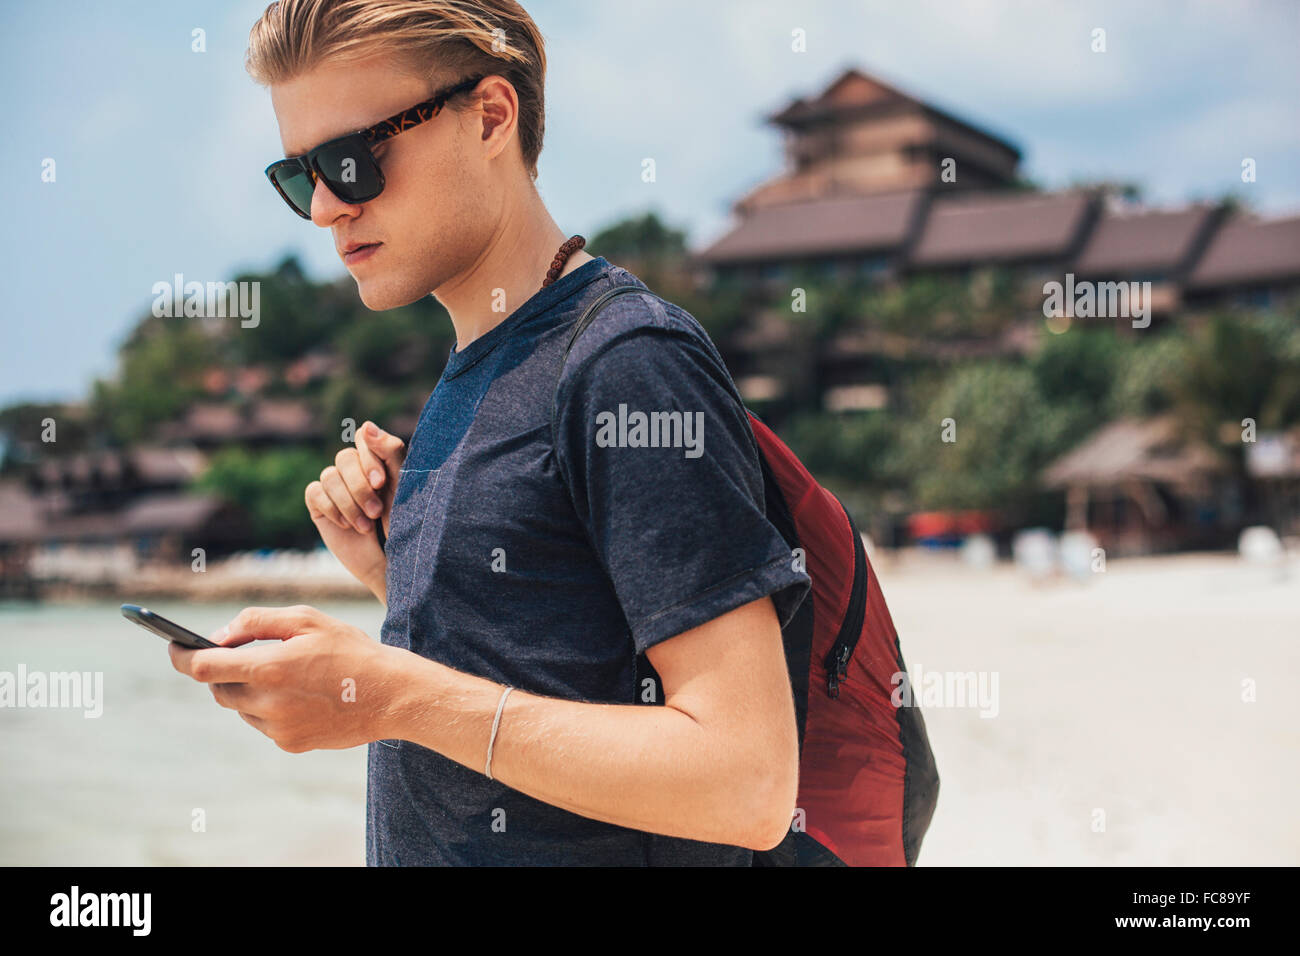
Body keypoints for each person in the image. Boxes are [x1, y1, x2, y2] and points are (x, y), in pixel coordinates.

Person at [169, 0, 810, 866]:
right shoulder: (478, 368)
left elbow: (747, 782)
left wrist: (389, 693)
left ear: (490, 116)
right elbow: (548, 676)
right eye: (298, 177)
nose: (324, 208)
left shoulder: (624, 362)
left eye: (351, 161)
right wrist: (400, 583)